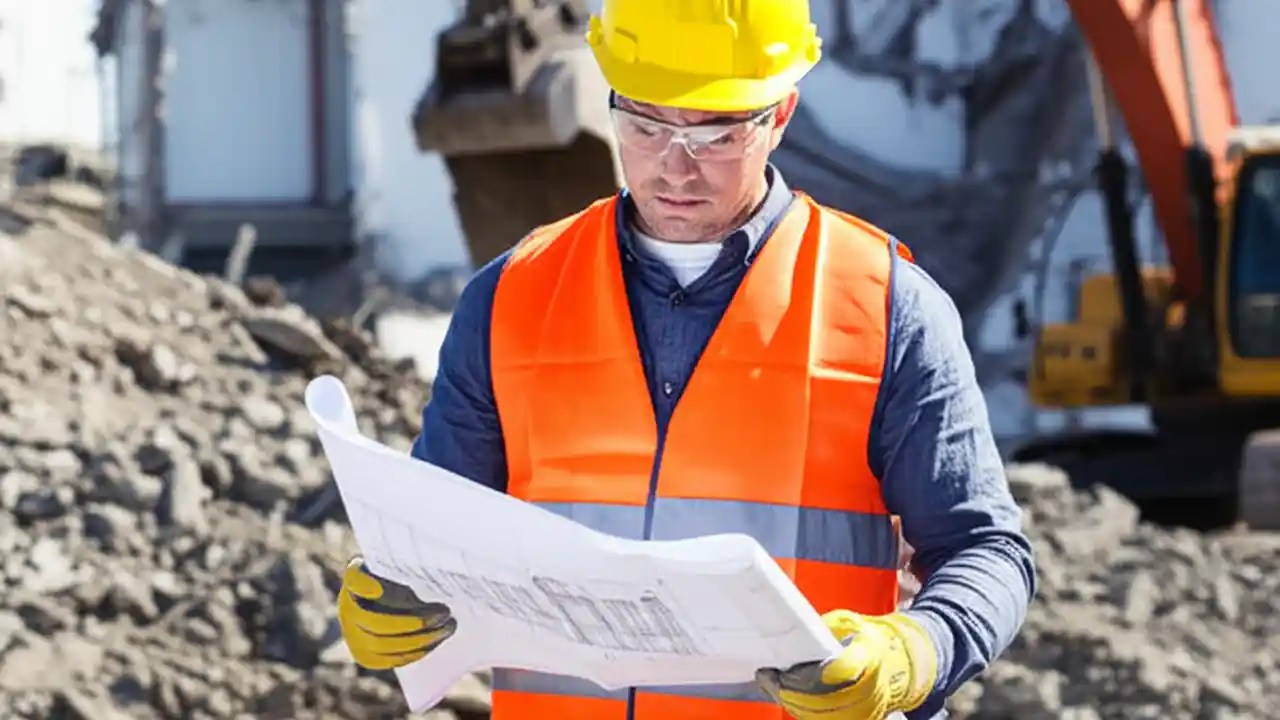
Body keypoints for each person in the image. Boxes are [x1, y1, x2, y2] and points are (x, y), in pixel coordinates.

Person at [335, 0, 1037, 718]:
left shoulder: (885, 307)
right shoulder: (511, 297)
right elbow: (438, 536)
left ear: (781, 114)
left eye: (717, 134)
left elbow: (985, 550)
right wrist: (391, 594)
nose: (676, 165)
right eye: (644, 124)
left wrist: (913, 652)